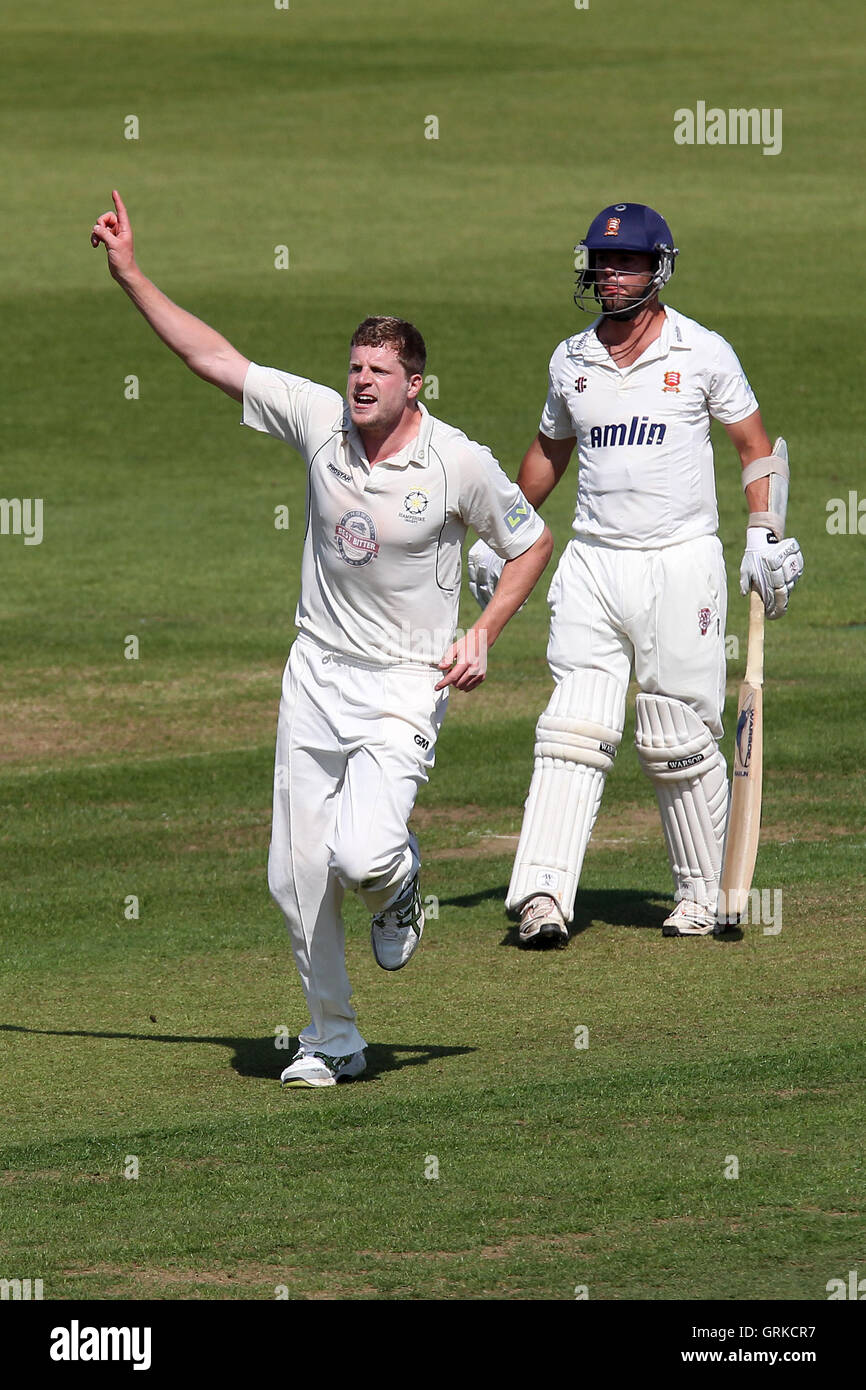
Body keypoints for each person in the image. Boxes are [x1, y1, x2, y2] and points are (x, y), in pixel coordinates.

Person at [91, 190, 553, 1082]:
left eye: (379, 373)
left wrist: (486, 632)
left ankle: (401, 885)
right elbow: (213, 357)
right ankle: (333, 1038)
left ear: (414, 382)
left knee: (363, 853)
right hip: (316, 673)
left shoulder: (455, 459)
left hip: (406, 682)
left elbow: (530, 543)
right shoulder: (318, 421)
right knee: (294, 872)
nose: (361, 384)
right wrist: (132, 276)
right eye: (354, 369)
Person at [467, 202, 803, 945]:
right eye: (601, 262)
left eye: (626, 263)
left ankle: (703, 892)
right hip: (592, 561)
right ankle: (542, 899)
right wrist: (503, 533)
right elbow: (550, 450)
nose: (610, 275)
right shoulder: (571, 359)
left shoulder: (703, 351)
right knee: (572, 727)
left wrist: (764, 535)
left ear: (659, 268)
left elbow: (753, 445)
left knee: (676, 733)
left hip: (680, 562)